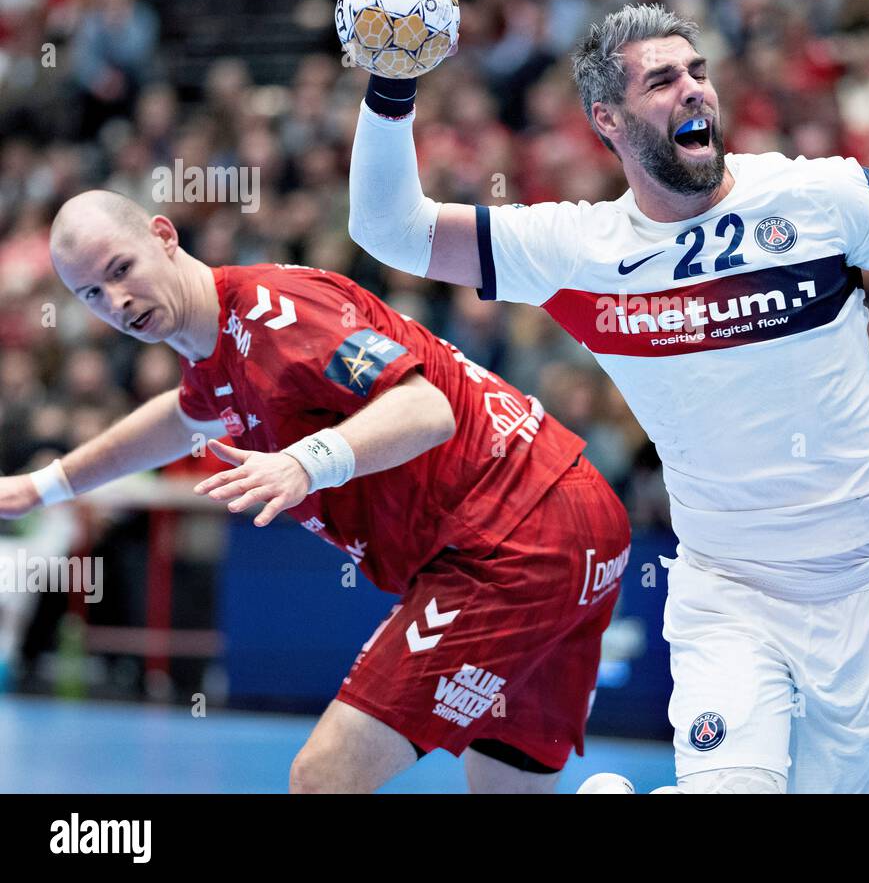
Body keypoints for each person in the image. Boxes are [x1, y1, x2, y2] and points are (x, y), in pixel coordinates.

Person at [347, 0, 869, 794]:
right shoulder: (575, 248)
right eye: (661, 81)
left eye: (698, 72)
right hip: (729, 587)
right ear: (607, 119)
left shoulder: (821, 195)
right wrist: (392, 82)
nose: (693, 90)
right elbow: (390, 228)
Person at [0, 189, 630, 794]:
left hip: (515, 531)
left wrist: (306, 463)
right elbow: (178, 418)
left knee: (324, 777)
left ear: (164, 236)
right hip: (570, 518)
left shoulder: (275, 311)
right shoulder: (212, 355)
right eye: (91, 292)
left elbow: (425, 410)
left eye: (121, 268)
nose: (116, 298)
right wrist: (46, 484)